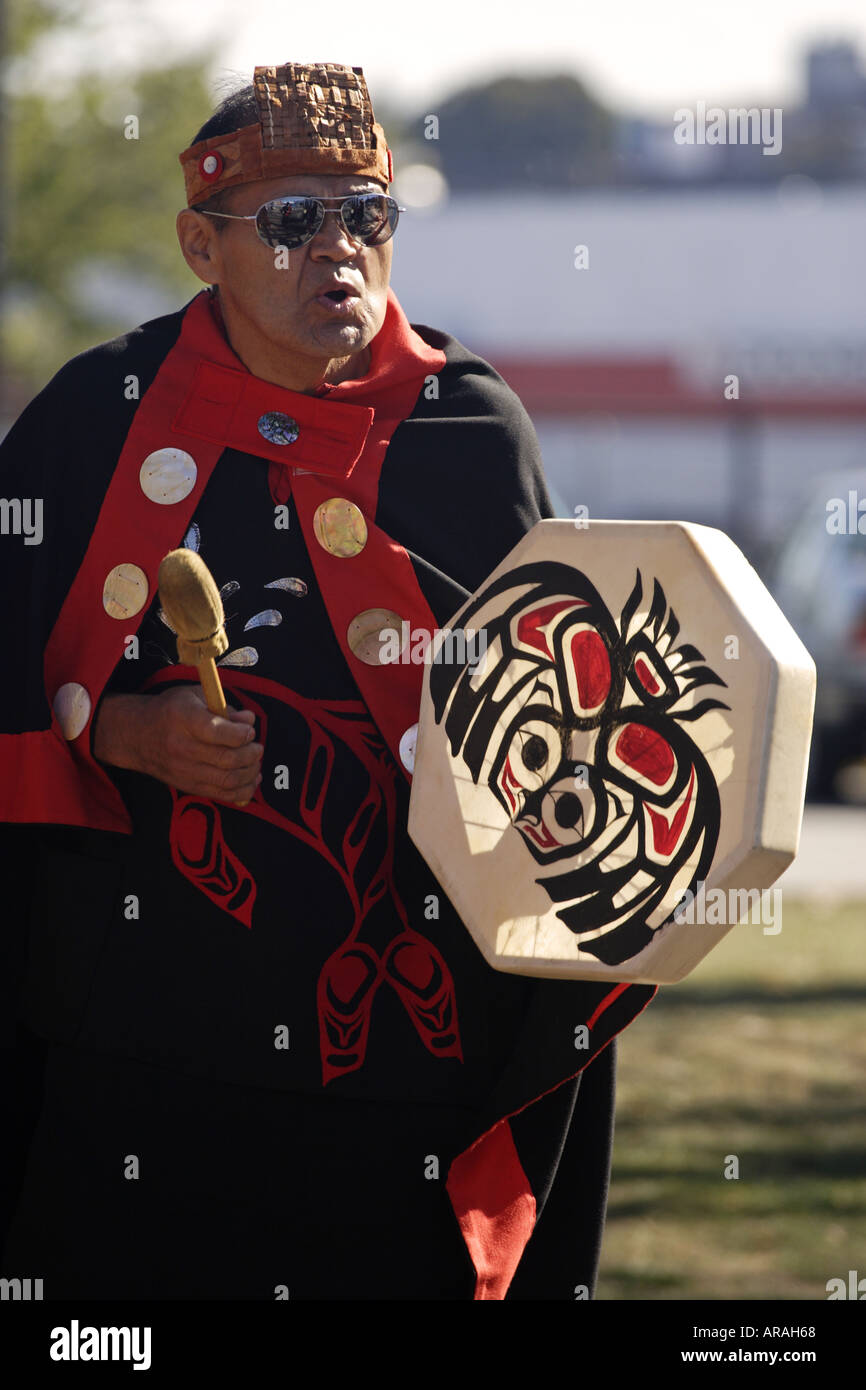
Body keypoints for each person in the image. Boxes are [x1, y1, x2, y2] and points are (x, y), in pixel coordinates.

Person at [0, 60, 654, 1301]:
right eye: (292, 223)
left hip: (407, 1062)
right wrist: (126, 733)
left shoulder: (470, 427)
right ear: (203, 246)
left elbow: (563, 721)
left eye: (368, 217)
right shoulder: (95, 418)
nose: (339, 252)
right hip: (140, 1058)